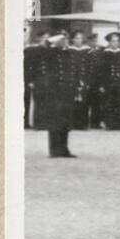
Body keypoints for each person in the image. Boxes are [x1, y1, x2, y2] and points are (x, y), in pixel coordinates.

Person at [35, 30, 84, 158]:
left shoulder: (69, 53)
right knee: (54, 122)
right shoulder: (50, 53)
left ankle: (64, 149)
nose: (65, 41)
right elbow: (45, 44)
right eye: (62, 39)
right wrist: (54, 39)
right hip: (54, 93)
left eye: (66, 39)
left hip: (67, 92)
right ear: (56, 41)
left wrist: (77, 87)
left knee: (65, 122)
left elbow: (74, 72)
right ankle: (54, 150)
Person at [99, 31, 120, 130]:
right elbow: (100, 70)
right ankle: (109, 124)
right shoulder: (104, 53)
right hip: (108, 82)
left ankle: (118, 124)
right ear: (109, 42)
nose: (115, 43)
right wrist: (101, 85)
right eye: (113, 41)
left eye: (117, 41)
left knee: (119, 103)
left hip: (119, 82)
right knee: (109, 103)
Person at [68, 29, 92, 130]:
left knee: (84, 102)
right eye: (77, 38)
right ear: (73, 39)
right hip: (72, 79)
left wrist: (87, 80)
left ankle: (83, 124)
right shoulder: (69, 50)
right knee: (72, 101)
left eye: (81, 38)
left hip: (83, 79)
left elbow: (89, 66)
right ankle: (72, 123)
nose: (79, 40)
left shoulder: (87, 50)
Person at [23, 30, 46, 129]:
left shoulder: (46, 49)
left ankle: (38, 122)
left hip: (41, 80)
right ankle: (26, 122)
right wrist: (30, 80)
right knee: (27, 101)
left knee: (39, 102)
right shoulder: (30, 50)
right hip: (30, 80)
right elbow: (28, 66)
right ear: (39, 38)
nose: (45, 40)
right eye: (44, 38)